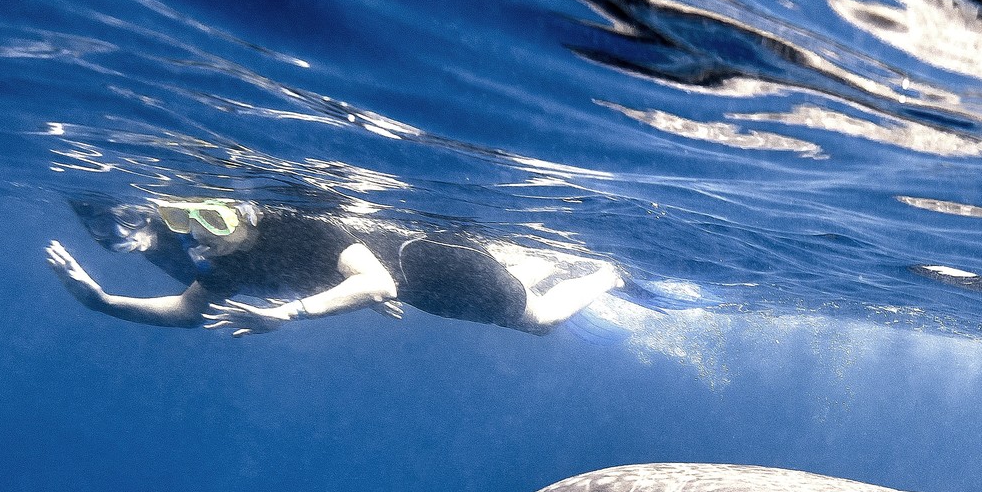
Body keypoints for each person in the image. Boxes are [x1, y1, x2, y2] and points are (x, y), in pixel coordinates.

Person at [45, 196, 624, 337]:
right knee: (519, 281)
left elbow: (375, 281)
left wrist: (289, 313)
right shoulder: (232, 256)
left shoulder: (294, 222)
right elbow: (189, 309)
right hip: (422, 271)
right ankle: (527, 260)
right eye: (184, 225)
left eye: (213, 219)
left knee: (539, 317)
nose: (199, 235)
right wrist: (102, 301)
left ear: (244, 213)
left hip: (428, 266)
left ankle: (609, 273)